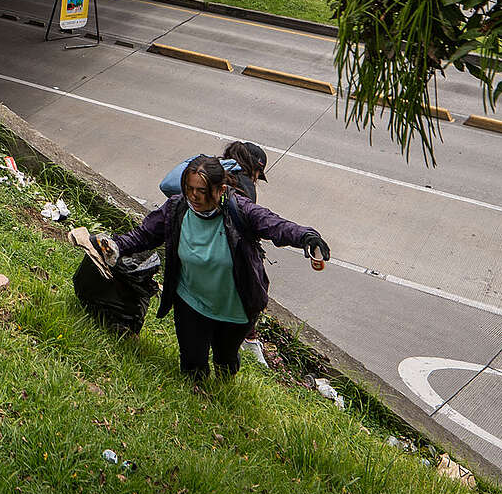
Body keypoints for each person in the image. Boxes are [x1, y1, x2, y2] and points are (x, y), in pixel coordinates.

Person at [94, 155, 328, 382]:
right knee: (192, 364)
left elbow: (275, 225)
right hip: (191, 300)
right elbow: (145, 235)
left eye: (202, 191)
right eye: (189, 188)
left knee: (225, 359)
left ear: (221, 190)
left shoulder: (241, 210)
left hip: (235, 308)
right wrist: (114, 246)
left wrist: (308, 238)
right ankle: (197, 395)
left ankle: (224, 384)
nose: (193, 196)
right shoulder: (176, 208)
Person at [160, 141, 269, 204]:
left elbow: (167, 186)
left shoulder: (207, 167)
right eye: (258, 175)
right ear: (254, 169)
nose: (256, 179)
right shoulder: (244, 184)